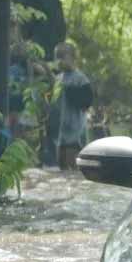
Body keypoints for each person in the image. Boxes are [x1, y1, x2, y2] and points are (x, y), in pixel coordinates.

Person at [53, 41, 94, 170]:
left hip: (76, 131)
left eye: (63, 57)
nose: (59, 61)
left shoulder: (81, 79)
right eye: (57, 58)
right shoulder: (58, 79)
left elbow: (87, 102)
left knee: (74, 166)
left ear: (72, 58)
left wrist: (69, 91)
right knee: (61, 166)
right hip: (60, 132)